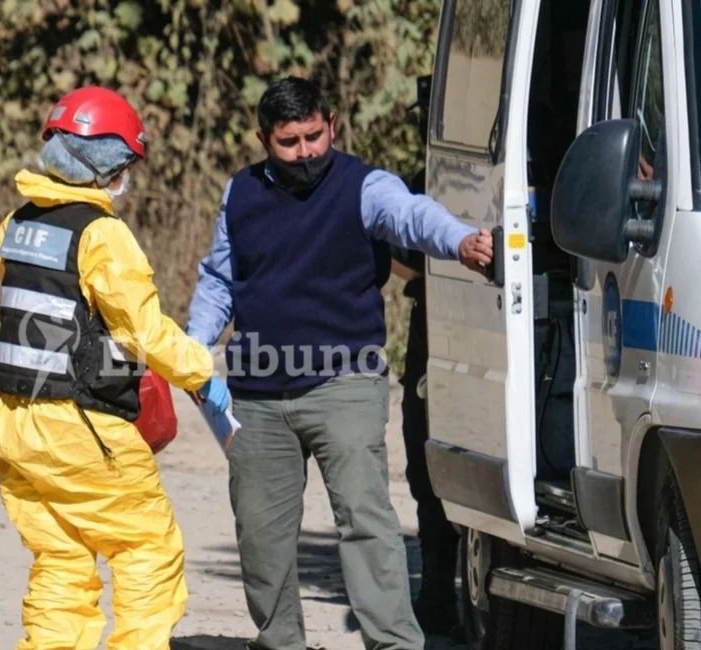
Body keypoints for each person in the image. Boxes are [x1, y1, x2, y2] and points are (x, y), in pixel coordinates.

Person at [186, 76, 493, 650]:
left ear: (332, 124)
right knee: (260, 532)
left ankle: (394, 642)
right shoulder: (241, 194)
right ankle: (279, 642)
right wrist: (192, 348)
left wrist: (459, 242)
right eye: (288, 142)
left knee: (365, 519)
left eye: (313, 136)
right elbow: (219, 279)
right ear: (262, 139)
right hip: (255, 392)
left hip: (344, 381)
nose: (304, 152)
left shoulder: (365, 186)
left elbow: (413, 216)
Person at [0, 86, 227, 650]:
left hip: (13, 423)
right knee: (147, 549)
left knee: (62, 560)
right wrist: (199, 369)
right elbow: (141, 331)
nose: (127, 177)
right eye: (126, 164)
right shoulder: (103, 235)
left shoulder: (16, 226)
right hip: (81, 426)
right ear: (105, 162)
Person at [389, 75, 462, 635]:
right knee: (426, 465)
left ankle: (447, 593)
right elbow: (403, 260)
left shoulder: (454, 183)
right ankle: (438, 592)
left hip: (453, 328)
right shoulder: (418, 186)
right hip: (432, 330)